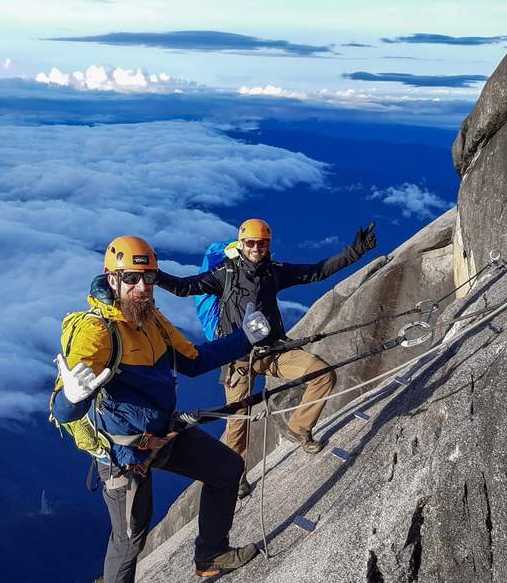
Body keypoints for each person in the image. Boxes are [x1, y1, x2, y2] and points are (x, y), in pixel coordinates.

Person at [51, 236, 273, 582]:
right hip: (123, 456)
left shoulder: (152, 319)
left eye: (150, 278)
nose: (143, 287)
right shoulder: (98, 332)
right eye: (131, 279)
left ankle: (211, 554)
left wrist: (245, 337)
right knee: (129, 542)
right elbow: (64, 413)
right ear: (113, 280)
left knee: (227, 469)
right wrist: (73, 398)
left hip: (162, 436)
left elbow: (194, 361)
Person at [155, 219, 377, 497]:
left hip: (272, 353)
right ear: (241, 244)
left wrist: (355, 252)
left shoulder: (274, 271)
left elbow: (316, 272)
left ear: (268, 245)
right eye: (251, 243)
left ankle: (299, 429)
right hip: (238, 361)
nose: (257, 248)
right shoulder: (225, 274)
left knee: (322, 375)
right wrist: (153, 275)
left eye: (262, 243)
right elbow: (185, 287)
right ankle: (235, 476)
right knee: (238, 423)